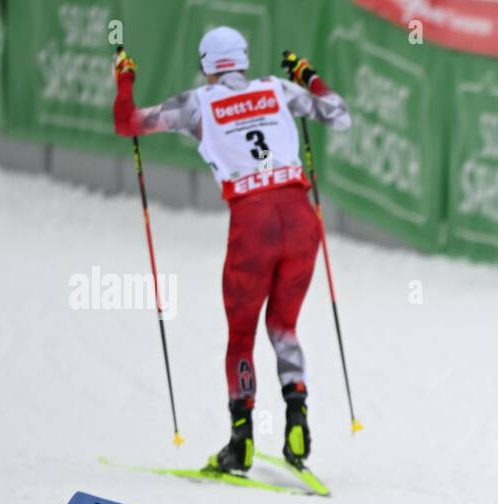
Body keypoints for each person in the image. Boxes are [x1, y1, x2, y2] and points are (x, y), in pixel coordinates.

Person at [112, 27, 351, 473]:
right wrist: (310, 77)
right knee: (284, 325)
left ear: (206, 66)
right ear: (241, 60)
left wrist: (124, 77)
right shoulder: (277, 88)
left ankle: (240, 440)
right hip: (301, 219)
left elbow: (127, 123)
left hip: (253, 223)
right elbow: (339, 116)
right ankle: (297, 421)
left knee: (242, 334)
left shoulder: (197, 104)